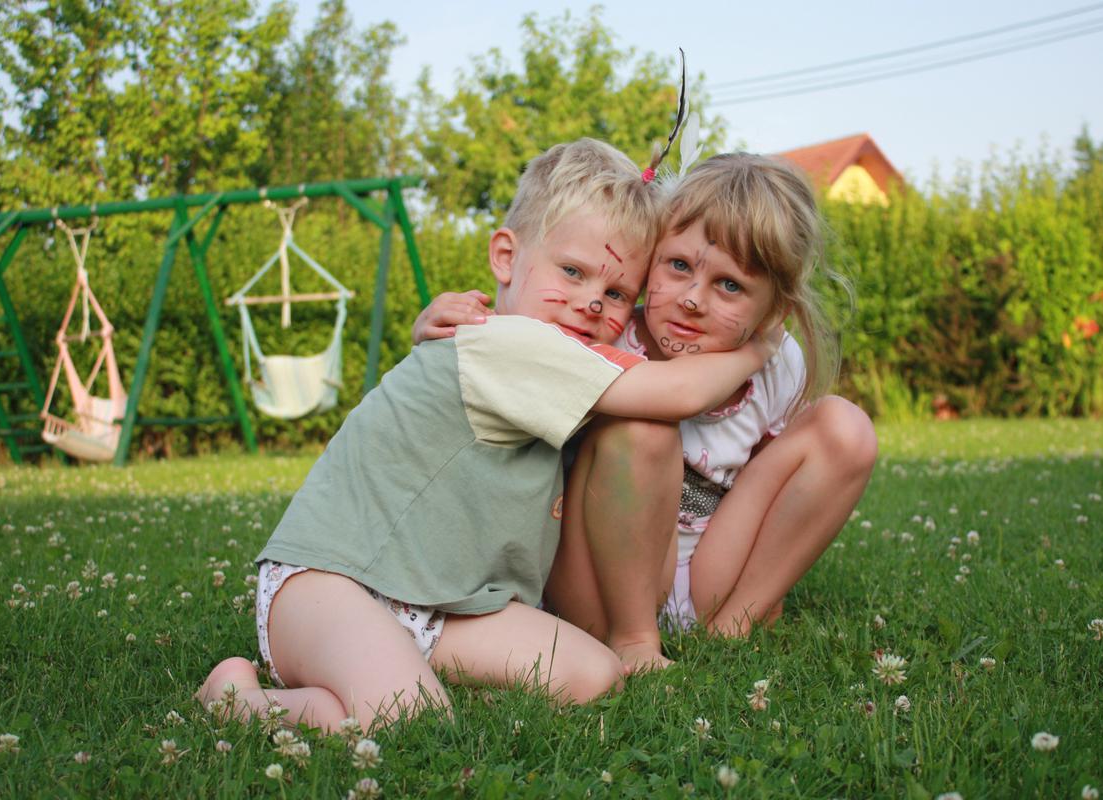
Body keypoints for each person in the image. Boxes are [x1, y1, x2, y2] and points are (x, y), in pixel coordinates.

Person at [196, 139, 778, 732]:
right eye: (572, 272)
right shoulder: (513, 345)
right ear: (506, 255)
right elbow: (676, 394)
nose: (588, 305)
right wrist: (758, 345)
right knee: (409, 720)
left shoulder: (547, 354)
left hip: (443, 607)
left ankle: (378, 687)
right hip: (333, 585)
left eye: (615, 295)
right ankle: (240, 703)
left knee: (592, 674)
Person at [414, 153, 878, 671]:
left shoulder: (778, 363)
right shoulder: (603, 334)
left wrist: (760, 573)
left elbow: (775, 480)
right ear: (651, 256)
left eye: (730, 285)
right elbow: (510, 348)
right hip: (599, 582)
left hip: (706, 570)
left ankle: (733, 625)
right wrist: (436, 328)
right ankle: (633, 640)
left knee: (845, 427)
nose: (692, 300)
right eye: (678, 266)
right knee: (641, 426)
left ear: (773, 312)